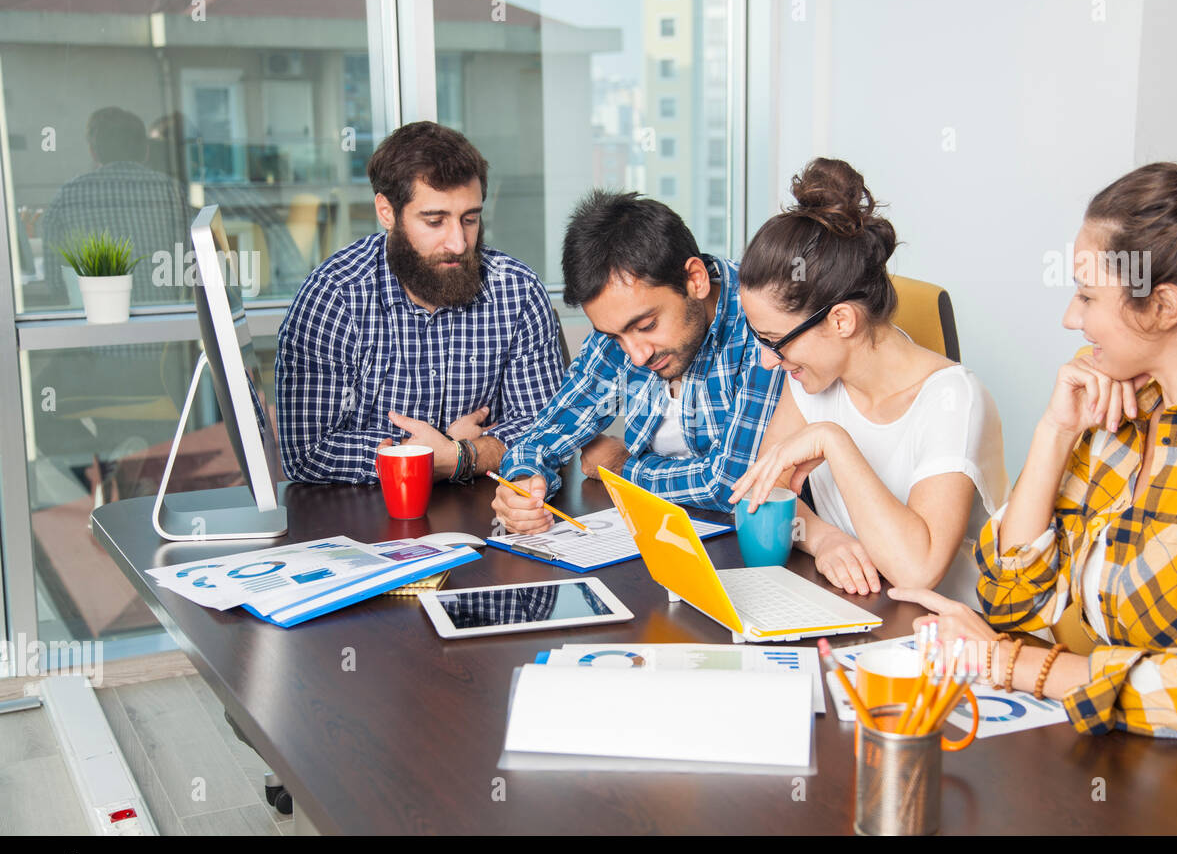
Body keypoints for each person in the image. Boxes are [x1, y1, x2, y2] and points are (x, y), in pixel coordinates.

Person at [893, 151, 1177, 746]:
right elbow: (1009, 599)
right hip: (1116, 751)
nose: (1068, 317)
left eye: (1086, 296)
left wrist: (1010, 665)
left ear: (1162, 308)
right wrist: (1056, 433)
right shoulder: (1117, 408)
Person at [727, 158, 1008, 601]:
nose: (767, 360)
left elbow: (916, 571)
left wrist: (833, 441)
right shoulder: (811, 375)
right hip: (860, 611)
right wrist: (824, 538)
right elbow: (762, 491)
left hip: (948, 634)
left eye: (774, 340)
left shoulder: (954, 400)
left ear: (841, 320)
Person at [275, 122, 565, 484]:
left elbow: (549, 432)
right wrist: (435, 452)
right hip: (369, 522)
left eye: (470, 219)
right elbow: (307, 454)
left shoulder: (517, 290)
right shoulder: (335, 296)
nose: (458, 243)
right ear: (387, 212)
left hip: (485, 516)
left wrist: (464, 455)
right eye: (435, 221)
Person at [492, 191, 784, 533]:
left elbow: (729, 485)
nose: (636, 354)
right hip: (662, 538)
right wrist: (524, 480)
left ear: (695, 280)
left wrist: (622, 466)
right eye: (614, 336)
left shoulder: (763, 323)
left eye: (647, 326)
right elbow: (548, 431)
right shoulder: (622, 322)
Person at [41, 107, 192, 305]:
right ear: (145, 150)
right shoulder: (171, 192)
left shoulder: (67, 196)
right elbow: (191, 268)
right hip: (162, 323)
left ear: (93, 152)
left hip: (96, 326)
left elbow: (55, 282)